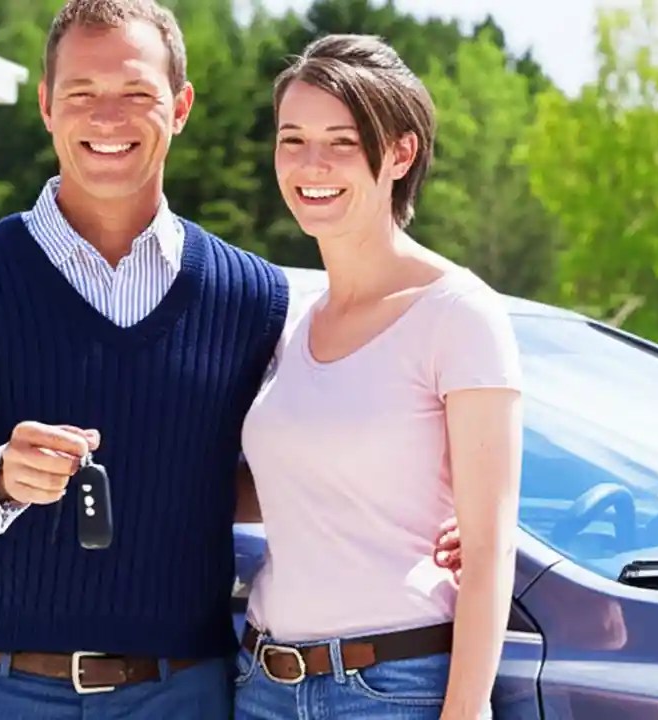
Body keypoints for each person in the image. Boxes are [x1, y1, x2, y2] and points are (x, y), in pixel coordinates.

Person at [0, 0, 466, 715]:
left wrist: (447, 506)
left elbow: (302, 450)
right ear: (45, 107)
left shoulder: (255, 297)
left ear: (181, 106)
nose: (108, 119)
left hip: (183, 693)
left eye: (137, 94)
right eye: (82, 95)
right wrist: (0, 476)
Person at [232, 34, 523, 720]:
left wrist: (465, 712)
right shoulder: (295, 322)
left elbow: (488, 549)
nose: (311, 164)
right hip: (262, 683)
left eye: (340, 141)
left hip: (389, 688)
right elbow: (293, 490)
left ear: (399, 152)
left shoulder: (458, 314)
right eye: (292, 139)